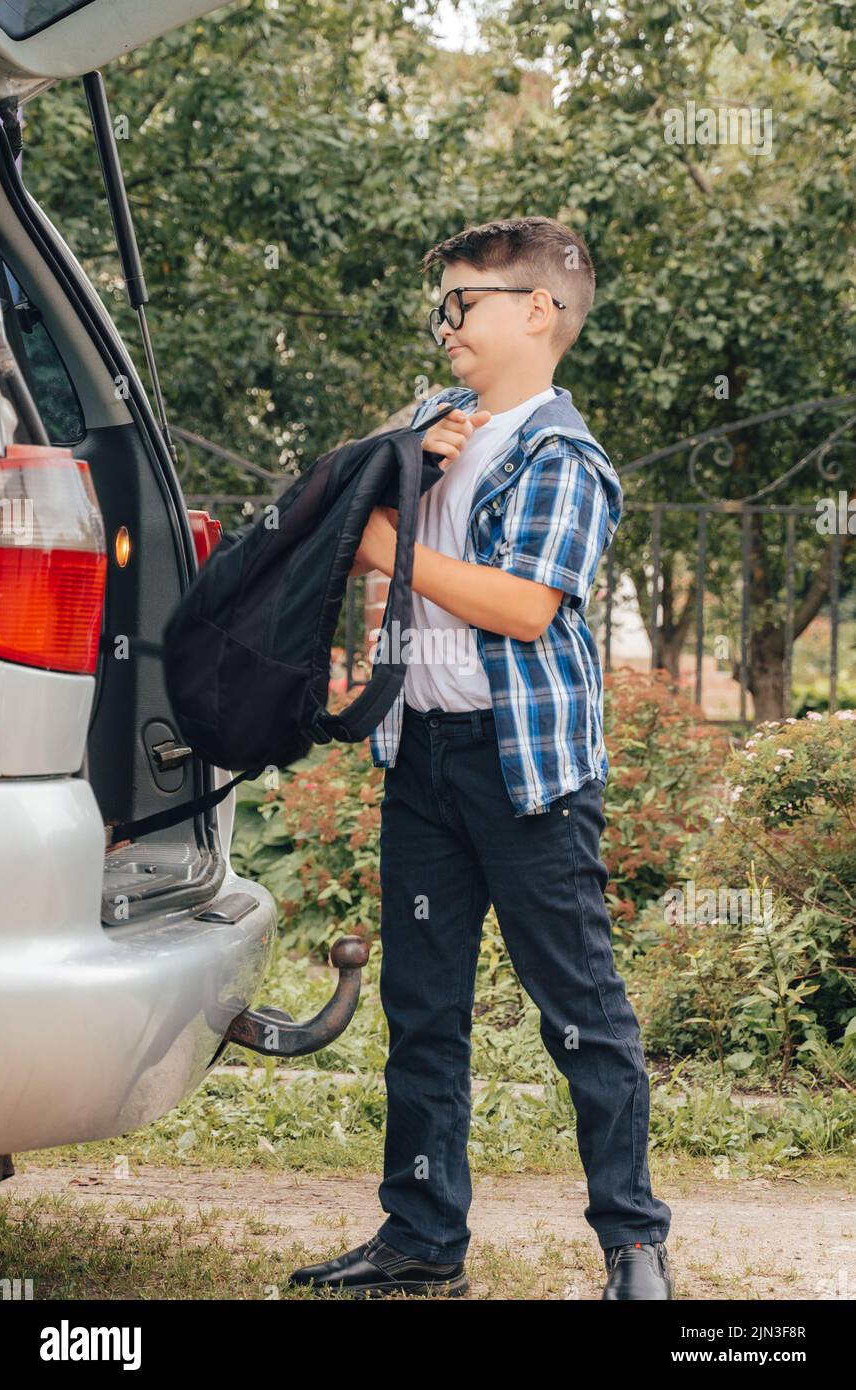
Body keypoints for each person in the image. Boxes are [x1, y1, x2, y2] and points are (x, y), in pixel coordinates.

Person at [287, 216, 673, 1300]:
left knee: (580, 1015)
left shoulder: (564, 455)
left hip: (525, 774)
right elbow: (324, 495)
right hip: (420, 760)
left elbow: (519, 603)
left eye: (462, 303)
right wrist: (389, 463)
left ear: (535, 312)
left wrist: (384, 544)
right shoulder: (431, 422)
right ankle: (419, 1239)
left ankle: (633, 1247)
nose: (443, 323)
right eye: (442, 306)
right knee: (422, 1013)